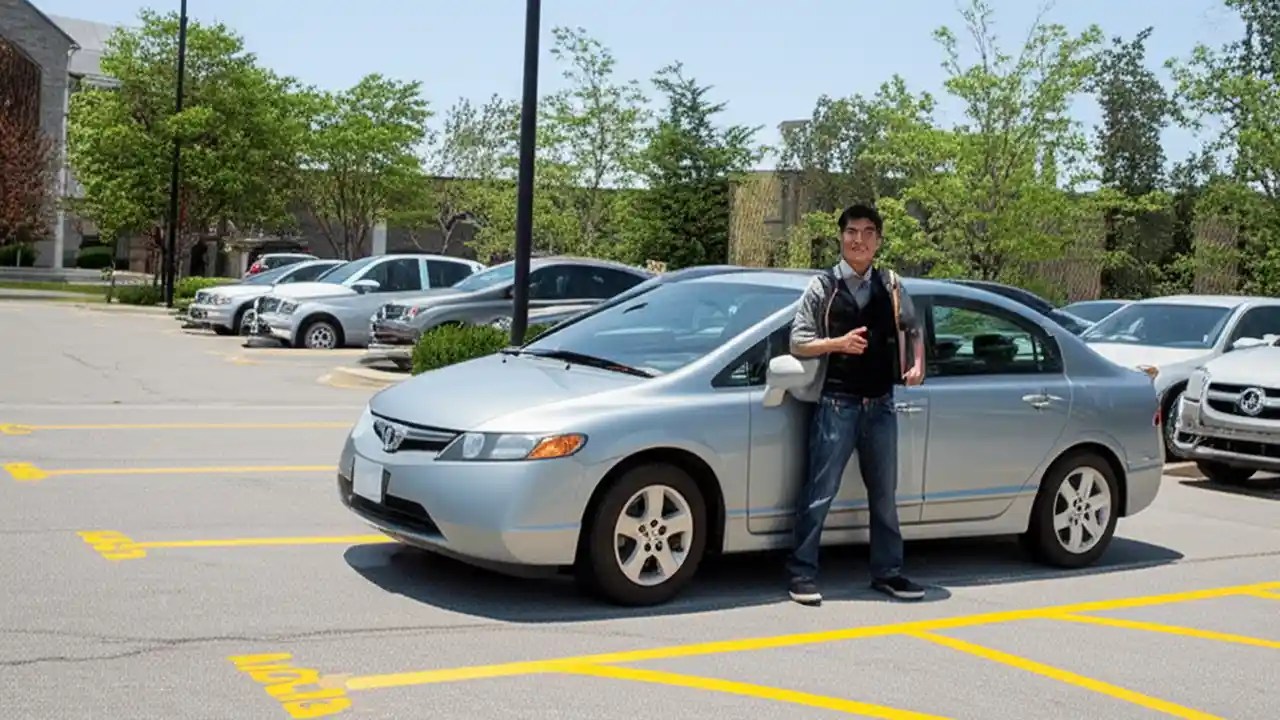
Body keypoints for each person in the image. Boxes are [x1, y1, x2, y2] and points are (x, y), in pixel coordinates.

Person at [784, 203, 927, 605]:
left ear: (878, 240)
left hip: (882, 405)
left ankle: (889, 572)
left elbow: (913, 328)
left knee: (884, 495)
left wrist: (916, 364)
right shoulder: (822, 287)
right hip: (836, 404)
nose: (858, 239)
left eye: (867, 232)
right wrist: (838, 344)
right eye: (851, 231)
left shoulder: (892, 285)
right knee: (819, 491)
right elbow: (798, 342)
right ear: (841, 237)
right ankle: (801, 573)